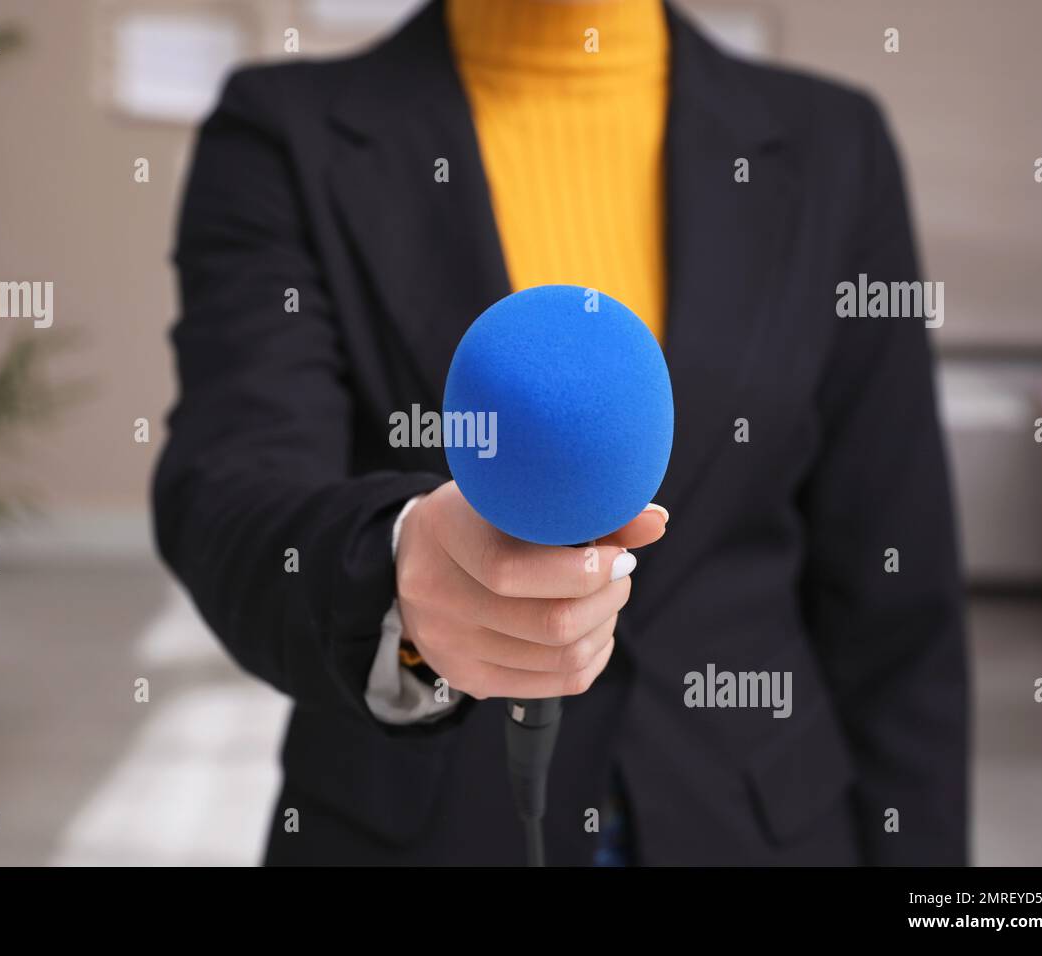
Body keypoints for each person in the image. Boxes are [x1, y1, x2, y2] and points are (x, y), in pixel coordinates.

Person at [154, 0, 968, 866]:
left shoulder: (832, 146)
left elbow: (895, 591)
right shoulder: (282, 135)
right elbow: (232, 491)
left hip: (756, 824)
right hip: (416, 828)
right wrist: (397, 578)